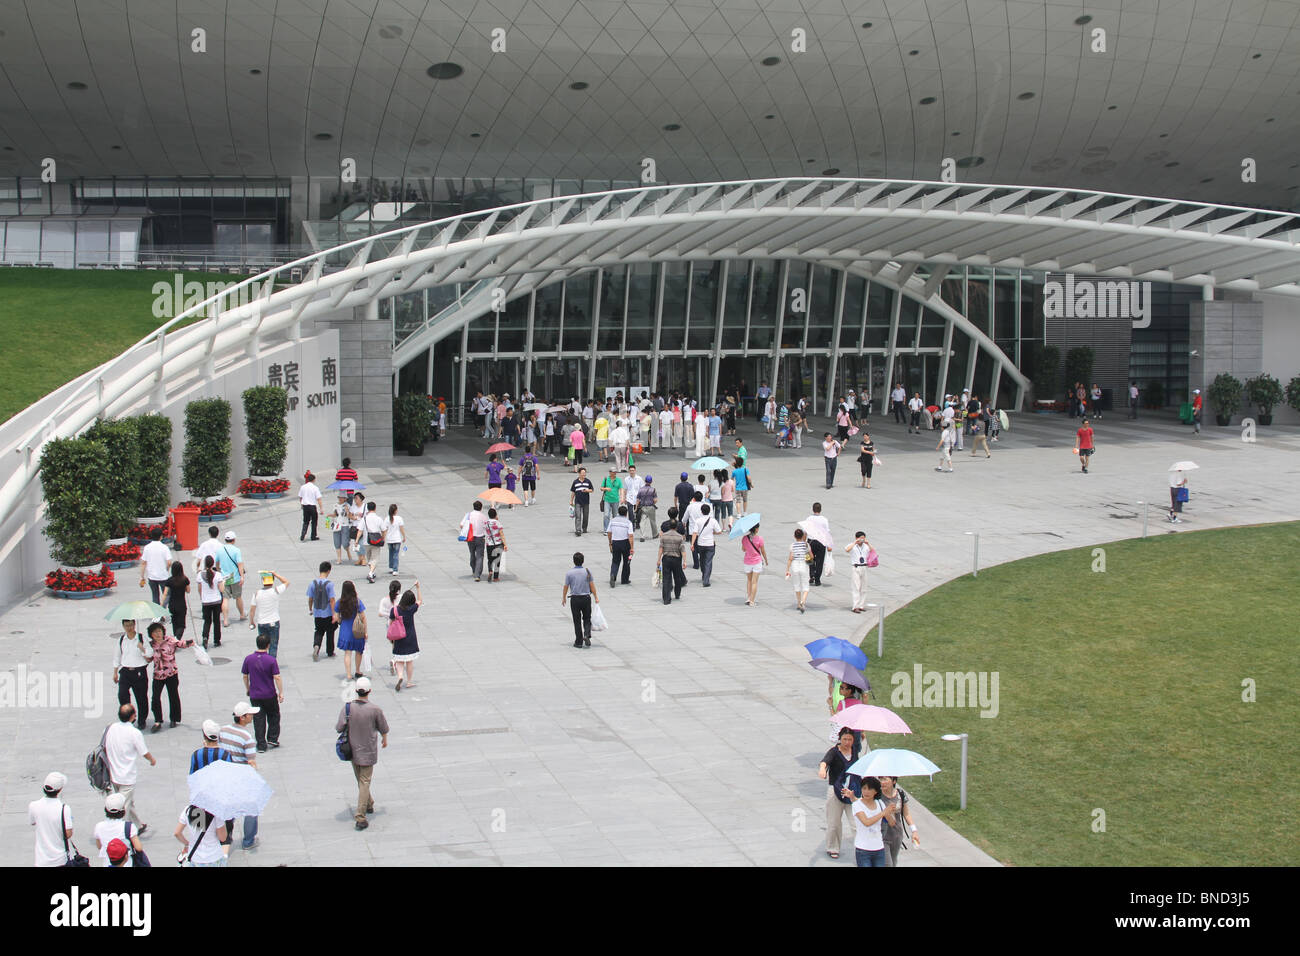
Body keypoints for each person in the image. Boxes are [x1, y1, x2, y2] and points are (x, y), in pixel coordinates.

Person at [337, 676, 389, 830]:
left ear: (356, 691)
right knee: (365, 780)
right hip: (368, 750)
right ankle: (360, 816)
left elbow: (339, 727)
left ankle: (369, 803)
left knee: (361, 779)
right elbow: (384, 728)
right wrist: (384, 740)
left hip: (352, 749)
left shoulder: (348, 708)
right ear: (369, 691)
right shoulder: (375, 710)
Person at [104, 703, 156, 832]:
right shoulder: (134, 732)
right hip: (126, 776)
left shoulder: (110, 728)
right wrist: (152, 760)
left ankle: (138, 825)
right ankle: (120, 834)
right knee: (123, 807)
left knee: (127, 802)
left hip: (113, 774)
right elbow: (144, 752)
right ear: (133, 716)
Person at [219, 702, 261, 849]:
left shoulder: (223, 730)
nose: (252, 716)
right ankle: (248, 841)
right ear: (243, 717)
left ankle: (225, 837)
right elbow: (251, 761)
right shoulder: (247, 737)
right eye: (250, 714)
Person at [818, 728, 860, 859]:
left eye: (850, 740)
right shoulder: (834, 752)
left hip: (851, 791)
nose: (847, 742)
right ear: (840, 739)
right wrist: (822, 770)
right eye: (844, 739)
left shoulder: (854, 752)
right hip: (835, 791)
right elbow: (824, 762)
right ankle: (832, 847)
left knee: (856, 822)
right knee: (834, 822)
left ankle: (862, 847)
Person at [147, 620, 192, 732]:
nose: (157, 634)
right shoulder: (151, 645)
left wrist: (189, 642)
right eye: (154, 633)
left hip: (171, 673)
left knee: (173, 696)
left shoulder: (170, 640)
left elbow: (181, 644)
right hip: (158, 675)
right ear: (151, 635)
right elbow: (148, 658)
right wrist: (142, 649)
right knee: (155, 698)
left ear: (163, 632)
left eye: (159, 631)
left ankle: (174, 718)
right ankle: (158, 720)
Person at [241, 634, 283, 752]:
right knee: (274, 715)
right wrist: (281, 692)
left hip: (255, 694)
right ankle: (272, 737)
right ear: (268, 645)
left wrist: (248, 688)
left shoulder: (249, 659)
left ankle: (261, 744)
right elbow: (277, 677)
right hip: (269, 694)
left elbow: (245, 675)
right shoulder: (271, 660)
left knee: (258, 719)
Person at [848, 775, 898, 867]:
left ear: (875, 791)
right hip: (863, 849)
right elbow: (866, 822)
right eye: (864, 788)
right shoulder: (857, 805)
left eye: (870, 789)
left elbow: (891, 823)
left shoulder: (880, 803)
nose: (866, 792)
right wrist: (883, 813)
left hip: (878, 848)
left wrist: (890, 811)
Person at [29, 771, 76, 867]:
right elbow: (68, 834)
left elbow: (33, 822)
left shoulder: (33, 805)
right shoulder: (64, 809)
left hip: (41, 860)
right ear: (60, 790)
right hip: (59, 860)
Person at [112, 618, 152, 729]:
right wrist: (115, 672)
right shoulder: (121, 640)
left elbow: (150, 653)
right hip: (125, 671)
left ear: (134, 624)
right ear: (123, 626)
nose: (129, 628)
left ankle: (142, 720)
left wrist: (142, 648)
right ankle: (128, 716)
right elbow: (117, 656)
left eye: (131, 625)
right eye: (126, 625)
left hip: (139, 671)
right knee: (122, 695)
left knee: (141, 698)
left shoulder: (141, 638)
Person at [94, 793, 145, 868]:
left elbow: (99, 846)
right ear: (123, 810)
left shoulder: (99, 826)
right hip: (126, 863)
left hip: (107, 863)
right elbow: (138, 847)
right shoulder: (129, 827)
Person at [560, 552, 600, 648]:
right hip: (586, 598)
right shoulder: (587, 572)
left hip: (575, 599)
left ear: (574, 561)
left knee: (576, 620)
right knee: (587, 618)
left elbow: (566, 586)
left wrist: (564, 597)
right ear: (583, 561)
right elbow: (592, 586)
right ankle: (586, 634)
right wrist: (596, 597)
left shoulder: (569, 573)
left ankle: (578, 641)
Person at [878, 776, 920, 866]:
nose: (882, 782)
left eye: (885, 779)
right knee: (887, 864)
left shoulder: (900, 794)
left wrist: (914, 831)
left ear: (894, 781)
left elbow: (906, 814)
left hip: (896, 835)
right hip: (881, 835)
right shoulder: (877, 795)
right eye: (880, 779)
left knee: (893, 863)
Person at [389, 583, 422, 691]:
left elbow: (391, 622)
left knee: (399, 659)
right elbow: (419, 601)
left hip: (399, 637)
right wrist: (418, 588)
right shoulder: (411, 609)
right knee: (409, 661)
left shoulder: (394, 610)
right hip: (410, 637)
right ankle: (409, 681)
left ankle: (400, 676)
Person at [334, 579, 368, 683]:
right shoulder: (357, 601)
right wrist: (365, 631)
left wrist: (341, 621)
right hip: (357, 630)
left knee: (347, 653)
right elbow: (363, 617)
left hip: (345, 630)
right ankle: (357, 670)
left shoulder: (340, 602)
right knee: (359, 651)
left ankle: (348, 674)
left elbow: (337, 618)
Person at [249, 569, 289, 658]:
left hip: (262, 623)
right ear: (272, 581)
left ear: (263, 581)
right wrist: (275, 574)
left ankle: (263, 662)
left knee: (263, 646)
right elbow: (286, 582)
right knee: (273, 645)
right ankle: (271, 663)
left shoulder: (257, 594)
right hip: (274, 622)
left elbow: (252, 610)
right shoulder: (276, 591)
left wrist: (251, 622)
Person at [308, 561, 337, 662]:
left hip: (317, 613)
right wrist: (334, 613)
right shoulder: (329, 584)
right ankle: (330, 651)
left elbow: (310, 598)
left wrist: (310, 608)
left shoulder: (312, 583)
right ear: (328, 571)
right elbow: (332, 600)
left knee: (319, 631)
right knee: (330, 632)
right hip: (328, 613)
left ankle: (316, 646)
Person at [218, 530, 247, 627]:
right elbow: (240, 564)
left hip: (224, 578)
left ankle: (225, 620)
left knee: (225, 599)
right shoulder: (236, 550)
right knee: (238, 597)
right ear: (233, 540)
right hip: (235, 577)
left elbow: (216, 564)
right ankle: (242, 614)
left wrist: (219, 571)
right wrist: (242, 577)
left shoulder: (220, 550)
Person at [137, 526, 172, 604]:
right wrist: (166, 569)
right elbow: (169, 562)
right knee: (166, 595)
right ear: (161, 537)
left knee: (155, 595)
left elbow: (143, 563)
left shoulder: (147, 548)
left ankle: (157, 614)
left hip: (152, 576)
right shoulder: (164, 547)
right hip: (163, 576)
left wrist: (142, 576)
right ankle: (163, 610)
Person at [656, 520, 687, 604]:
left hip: (666, 558)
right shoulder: (680, 537)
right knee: (677, 577)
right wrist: (684, 561)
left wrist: (658, 560)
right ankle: (677, 594)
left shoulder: (663, 536)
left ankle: (666, 598)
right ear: (676, 527)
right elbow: (682, 550)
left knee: (666, 578)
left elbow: (661, 548)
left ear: (669, 526)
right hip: (676, 559)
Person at [803, 502, 833, 587]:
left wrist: (804, 542)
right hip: (821, 541)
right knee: (820, 561)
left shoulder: (809, 518)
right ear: (820, 509)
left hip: (811, 541)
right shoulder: (824, 519)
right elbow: (827, 532)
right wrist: (829, 544)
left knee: (809, 558)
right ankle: (817, 579)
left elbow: (805, 531)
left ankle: (811, 574)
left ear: (813, 509)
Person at [197, 554, 224, 648]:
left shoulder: (200, 575)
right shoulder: (218, 575)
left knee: (207, 621)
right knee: (216, 621)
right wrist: (223, 582)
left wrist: (202, 597)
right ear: (213, 563)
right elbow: (221, 589)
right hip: (216, 601)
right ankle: (217, 640)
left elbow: (199, 589)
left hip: (206, 602)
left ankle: (205, 637)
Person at [160, 560, 190, 642]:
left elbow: (165, 593)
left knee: (175, 623)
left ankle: (175, 638)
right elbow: (188, 590)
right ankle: (176, 639)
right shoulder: (185, 579)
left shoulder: (169, 580)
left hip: (172, 604)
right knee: (182, 625)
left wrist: (161, 604)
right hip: (181, 604)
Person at [740, 522, 768, 606]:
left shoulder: (744, 538)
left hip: (747, 561)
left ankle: (748, 598)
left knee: (749, 580)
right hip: (756, 562)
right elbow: (762, 551)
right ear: (756, 529)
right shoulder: (759, 539)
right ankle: (752, 601)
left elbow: (743, 549)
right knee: (754, 582)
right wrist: (766, 560)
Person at [845, 531, 874, 613]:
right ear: (857, 538)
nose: (862, 539)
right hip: (856, 567)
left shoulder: (866, 546)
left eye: (863, 537)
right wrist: (855, 543)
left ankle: (861, 605)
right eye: (860, 538)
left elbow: (872, 551)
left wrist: (868, 543)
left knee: (864, 588)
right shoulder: (853, 545)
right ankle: (855, 606)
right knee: (856, 587)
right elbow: (847, 549)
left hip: (864, 567)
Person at [607, 504, 635, 587]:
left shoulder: (613, 521)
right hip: (625, 543)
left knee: (615, 561)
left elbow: (609, 532)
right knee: (626, 562)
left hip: (615, 542)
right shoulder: (628, 522)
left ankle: (613, 575)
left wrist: (610, 543)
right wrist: (632, 548)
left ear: (618, 512)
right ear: (626, 513)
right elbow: (630, 536)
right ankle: (624, 579)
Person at [784, 527, 811, 613]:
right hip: (803, 565)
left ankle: (799, 603)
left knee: (797, 585)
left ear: (794, 536)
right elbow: (811, 556)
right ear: (803, 536)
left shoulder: (792, 545)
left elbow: (790, 558)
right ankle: (803, 601)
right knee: (805, 585)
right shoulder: (806, 545)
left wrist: (787, 570)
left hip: (795, 565)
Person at [461, 499, 489, 578]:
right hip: (480, 538)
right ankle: (477, 574)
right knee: (480, 556)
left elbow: (461, 525)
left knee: (472, 554)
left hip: (470, 538)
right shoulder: (483, 516)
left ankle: (474, 569)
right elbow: (487, 527)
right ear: (481, 508)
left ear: (473, 507)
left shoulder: (468, 515)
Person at [360, 501, 384, 583]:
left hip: (366, 541)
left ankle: (372, 572)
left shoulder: (364, 518)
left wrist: (356, 541)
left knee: (369, 558)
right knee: (375, 559)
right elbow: (384, 529)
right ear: (375, 508)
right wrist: (383, 538)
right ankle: (371, 573)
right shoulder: (379, 518)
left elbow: (359, 530)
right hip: (376, 541)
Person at [484, 508, 508, 582]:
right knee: (497, 561)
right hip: (498, 544)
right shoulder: (497, 523)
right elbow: (501, 534)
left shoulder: (486, 523)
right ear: (495, 515)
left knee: (490, 560)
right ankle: (496, 577)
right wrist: (505, 544)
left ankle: (490, 570)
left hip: (489, 544)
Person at [569, 467, 593, 536]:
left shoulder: (588, 481)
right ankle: (578, 530)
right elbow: (573, 492)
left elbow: (592, 490)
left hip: (586, 501)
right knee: (578, 516)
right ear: (579, 473)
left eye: (585, 473)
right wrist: (571, 501)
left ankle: (584, 528)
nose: (584, 474)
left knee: (585, 516)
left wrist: (587, 490)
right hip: (578, 501)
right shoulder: (575, 482)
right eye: (582, 473)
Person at [299, 471, 323, 541]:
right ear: (314, 480)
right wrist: (321, 508)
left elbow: (300, 497)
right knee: (314, 521)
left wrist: (301, 504)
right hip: (312, 506)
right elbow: (319, 499)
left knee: (306, 521)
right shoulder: (315, 488)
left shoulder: (303, 487)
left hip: (305, 506)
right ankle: (313, 535)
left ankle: (303, 534)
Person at [383, 503, 406, 574]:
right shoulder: (399, 518)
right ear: (395, 511)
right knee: (396, 554)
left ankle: (391, 567)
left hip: (389, 539)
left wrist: (383, 538)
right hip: (397, 539)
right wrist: (404, 536)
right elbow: (401, 528)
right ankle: (395, 569)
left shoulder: (387, 519)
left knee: (391, 553)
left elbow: (385, 530)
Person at [599, 466, 624, 533]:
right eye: (613, 472)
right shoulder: (606, 479)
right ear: (610, 472)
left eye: (615, 472)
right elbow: (601, 488)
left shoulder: (618, 480)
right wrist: (606, 489)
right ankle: (606, 529)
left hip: (615, 500)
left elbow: (621, 489)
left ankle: (614, 529)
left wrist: (622, 498)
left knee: (615, 515)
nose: (615, 473)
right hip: (607, 499)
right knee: (606, 515)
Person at [635, 475, 658, 542]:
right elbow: (655, 500)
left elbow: (638, 500)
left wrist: (636, 508)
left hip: (643, 507)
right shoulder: (653, 489)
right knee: (653, 521)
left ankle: (642, 536)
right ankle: (655, 534)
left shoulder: (641, 489)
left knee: (642, 521)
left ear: (645, 481)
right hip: (651, 507)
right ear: (651, 482)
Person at [331, 493, 352, 563]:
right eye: (339, 497)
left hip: (345, 525)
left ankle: (348, 551)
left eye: (342, 497)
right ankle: (339, 558)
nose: (340, 499)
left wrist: (347, 510)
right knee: (337, 542)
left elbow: (349, 516)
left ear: (345, 499)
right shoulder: (335, 505)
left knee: (345, 543)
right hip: (337, 525)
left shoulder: (348, 505)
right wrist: (329, 515)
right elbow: (335, 514)